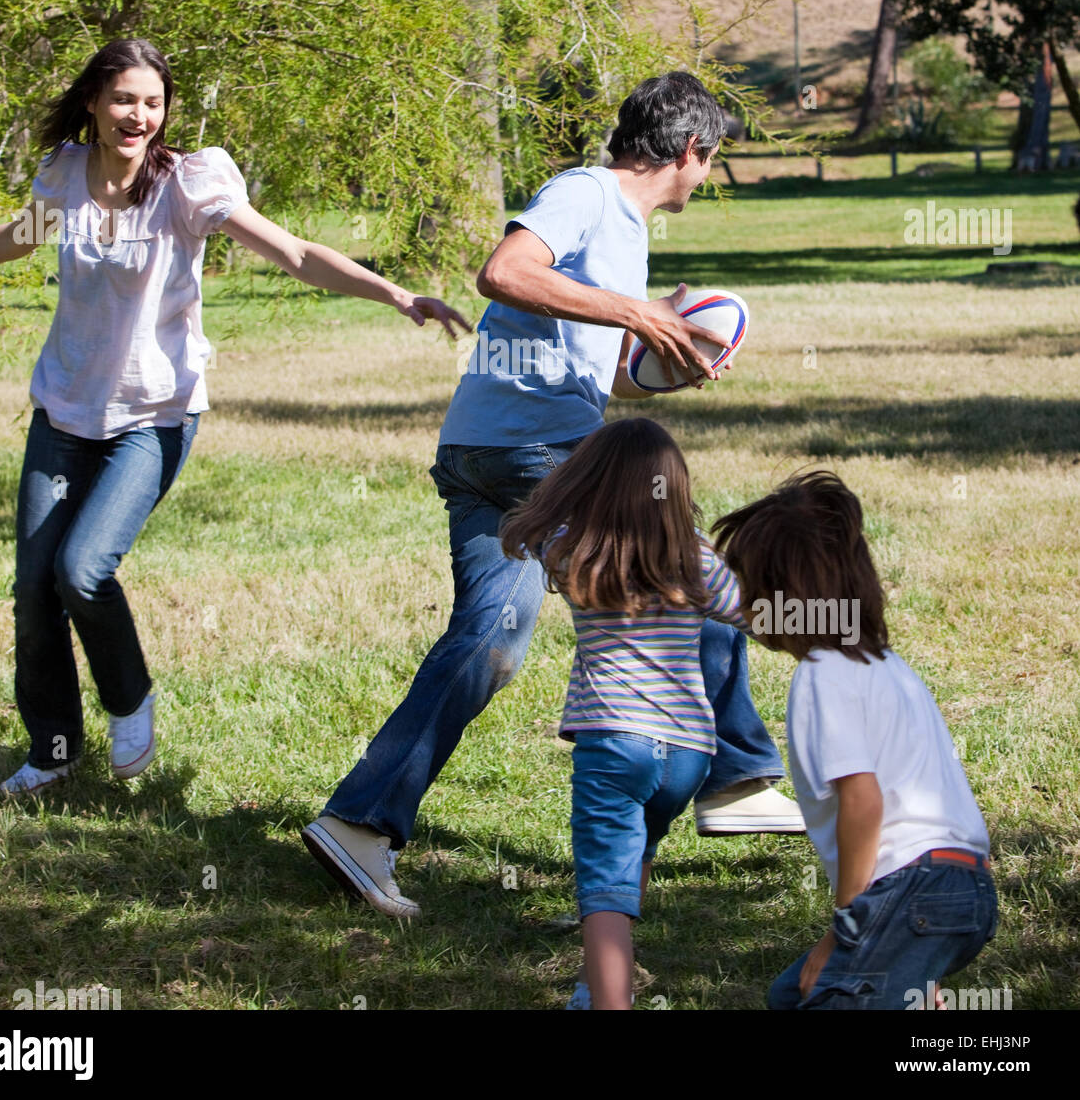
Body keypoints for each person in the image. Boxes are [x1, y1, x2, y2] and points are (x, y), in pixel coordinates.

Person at [303, 71, 803, 921]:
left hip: (489, 451)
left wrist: (666, 368)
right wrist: (639, 313)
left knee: (492, 639)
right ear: (691, 151)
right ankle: (737, 777)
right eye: (709, 163)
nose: (705, 177)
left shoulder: (622, 229)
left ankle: (358, 825)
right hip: (537, 455)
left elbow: (591, 370)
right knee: (686, 576)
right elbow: (504, 271)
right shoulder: (586, 193)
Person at [0, 38, 468, 797]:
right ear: (94, 100)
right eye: (124, 99)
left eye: (152, 102)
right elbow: (17, 238)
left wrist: (392, 294)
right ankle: (53, 750)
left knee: (82, 569)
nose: (139, 115)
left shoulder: (188, 185)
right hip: (64, 411)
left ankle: (132, 701)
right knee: (33, 589)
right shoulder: (64, 175)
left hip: (153, 416)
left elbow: (294, 252)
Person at [711, 471, 998, 1010]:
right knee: (789, 996)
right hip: (966, 891)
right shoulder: (887, 666)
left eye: (749, 588)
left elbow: (863, 802)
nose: (743, 604)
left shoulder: (823, 672)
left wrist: (847, 925)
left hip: (912, 888)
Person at [501, 417, 755, 1010]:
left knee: (604, 891)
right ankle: (595, 988)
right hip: (690, 753)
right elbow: (758, 618)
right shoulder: (697, 562)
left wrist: (566, 486)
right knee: (635, 852)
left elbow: (527, 524)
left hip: (616, 742)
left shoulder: (570, 550)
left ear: (590, 481)